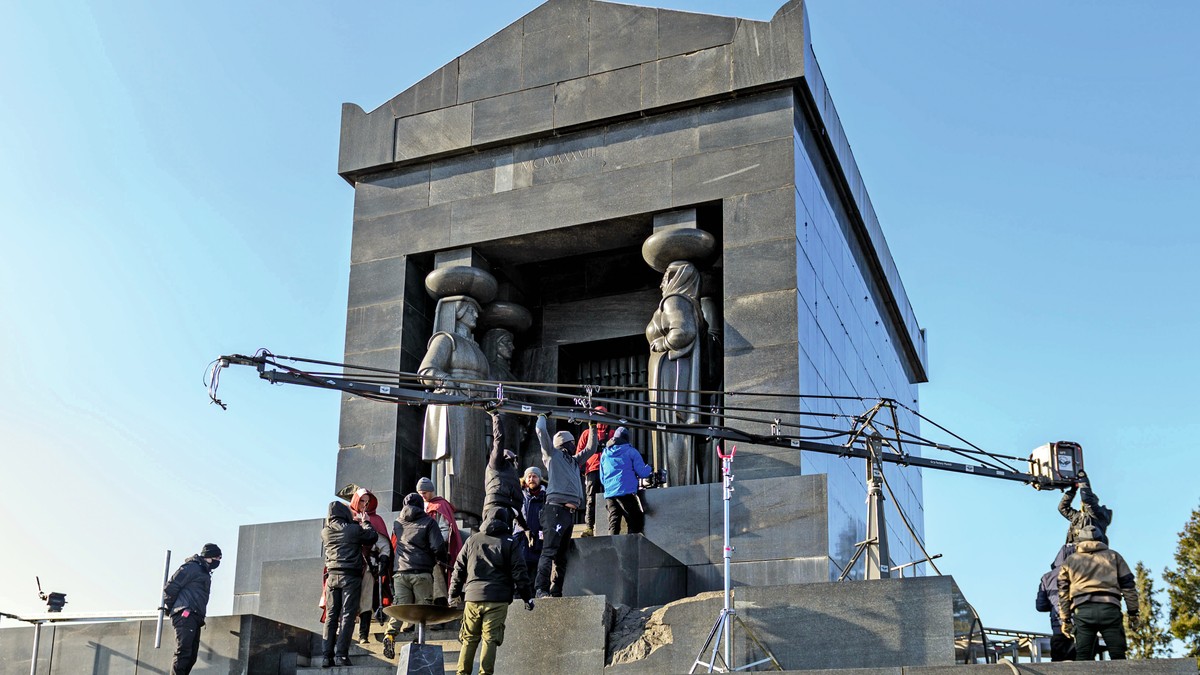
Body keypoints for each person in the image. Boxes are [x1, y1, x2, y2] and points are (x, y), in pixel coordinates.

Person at [419, 295, 491, 523]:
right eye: (471, 310)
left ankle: (473, 516)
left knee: (475, 468)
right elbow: (426, 371)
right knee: (455, 465)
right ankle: (450, 513)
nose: (476, 315)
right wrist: (447, 381)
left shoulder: (477, 350)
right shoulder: (445, 339)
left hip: (477, 412)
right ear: (456, 312)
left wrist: (489, 427)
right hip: (454, 408)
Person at [448, 507, 535, 675]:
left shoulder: (473, 540)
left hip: (473, 597)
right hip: (498, 598)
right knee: (490, 639)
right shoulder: (510, 541)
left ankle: (461, 673)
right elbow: (519, 572)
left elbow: (458, 568)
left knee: (469, 639)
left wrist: (453, 593)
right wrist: (527, 598)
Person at [645, 260, 707, 486]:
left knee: (670, 429)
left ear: (680, 278)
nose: (663, 282)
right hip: (674, 370)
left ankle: (671, 481)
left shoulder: (674, 300)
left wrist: (662, 343)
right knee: (673, 431)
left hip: (670, 373)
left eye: (668, 276)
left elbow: (683, 331)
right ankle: (675, 479)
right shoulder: (690, 304)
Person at [533, 413, 599, 597]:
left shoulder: (574, 461)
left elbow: (591, 448)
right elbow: (540, 430)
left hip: (568, 513)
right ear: (565, 443)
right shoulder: (552, 455)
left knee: (562, 557)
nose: (575, 445)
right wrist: (542, 417)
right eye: (572, 442)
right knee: (549, 551)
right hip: (555, 509)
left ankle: (556, 590)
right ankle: (541, 589)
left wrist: (592, 425)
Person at [1058, 525, 1139, 660]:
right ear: (1101, 539)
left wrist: (1065, 619)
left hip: (1082, 611)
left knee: (1083, 656)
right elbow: (1128, 586)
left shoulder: (1070, 561)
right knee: (1118, 655)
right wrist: (1133, 613)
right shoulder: (1114, 556)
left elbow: (1062, 592)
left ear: (1079, 541)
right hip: (1110, 610)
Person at [382, 492, 447, 659]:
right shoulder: (429, 522)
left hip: (400, 572)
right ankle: (418, 641)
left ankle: (390, 634)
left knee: (399, 606)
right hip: (421, 572)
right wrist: (441, 558)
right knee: (422, 609)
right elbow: (438, 546)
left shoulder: (398, 523)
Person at [320, 500, 378, 667]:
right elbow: (371, 536)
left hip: (332, 577)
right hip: (350, 576)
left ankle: (326, 657)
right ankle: (341, 656)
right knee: (347, 616)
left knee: (331, 616)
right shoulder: (353, 530)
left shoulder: (325, 532)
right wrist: (365, 521)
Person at [162, 543, 221, 675]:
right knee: (183, 653)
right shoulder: (192, 567)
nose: (218, 562)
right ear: (209, 557)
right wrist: (174, 608)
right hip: (186, 614)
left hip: (195, 617)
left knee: (191, 656)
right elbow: (170, 587)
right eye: (217, 558)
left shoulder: (204, 571)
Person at [347, 486, 392, 646]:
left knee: (366, 600)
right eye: (361, 501)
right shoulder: (346, 517)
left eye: (367, 501)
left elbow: (383, 544)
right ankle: (343, 635)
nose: (364, 505)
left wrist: (384, 559)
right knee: (347, 601)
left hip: (367, 567)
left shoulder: (376, 520)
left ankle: (363, 635)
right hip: (348, 566)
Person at [418, 477, 464, 605]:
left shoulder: (440, 505)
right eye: (420, 493)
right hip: (421, 551)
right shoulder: (420, 506)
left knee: (437, 579)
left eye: (425, 493)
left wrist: (436, 545)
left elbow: (444, 530)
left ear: (431, 491)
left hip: (435, 551)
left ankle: (441, 605)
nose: (423, 496)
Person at [600, 426, 653, 535]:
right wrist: (650, 468)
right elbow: (643, 472)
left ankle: (613, 548)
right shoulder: (631, 451)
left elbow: (602, 477)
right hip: (625, 492)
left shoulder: (605, 453)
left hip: (609, 493)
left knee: (614, 522)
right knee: (635, 519)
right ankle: (632, 547)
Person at [483, 410, 526, 529]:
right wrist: (495, 416)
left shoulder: (513, 475)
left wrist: (526, 528)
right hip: (495, 506)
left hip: (508, 511)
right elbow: (499, 440)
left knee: (505, 542)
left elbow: (516, 505)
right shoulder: (497, 463)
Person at [1035, 543, 1077, 661]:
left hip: (1059, 627)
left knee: (1059, 665)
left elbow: (1040, 606)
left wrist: (1054, 604)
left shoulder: (1047, 577)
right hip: (1082, 628)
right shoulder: (1083, 573)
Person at [574, 405, 611, 537]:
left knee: (609, 498)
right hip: (593, 468)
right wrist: (582, 470)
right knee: (591, 499)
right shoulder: (586, 434)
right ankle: (589, 527)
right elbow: (579, 453)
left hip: (607, 469)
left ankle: (609, 526)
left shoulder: (612, 432)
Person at [1059, 471, 1113, 544]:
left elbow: (1087, 499)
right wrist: (1072, 491)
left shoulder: (1099, 515)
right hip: (1076, 551)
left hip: (1092, 550)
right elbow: (1062, 508)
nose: (1082, 503)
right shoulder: (1078, 516)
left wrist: (1083, 480)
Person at [516, 466, 546, 580]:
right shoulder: (519, 495)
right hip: (520, 540)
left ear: (539, 479)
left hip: (538, 542)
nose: (531, 479)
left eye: (534, 476)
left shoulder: (546, 497)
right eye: (529, 476)